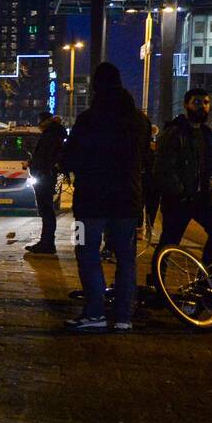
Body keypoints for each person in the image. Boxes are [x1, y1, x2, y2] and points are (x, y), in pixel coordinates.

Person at [59, 62, 153, 333]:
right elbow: (147, 159)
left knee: (86, 252)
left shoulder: (88, 119)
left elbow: (70, 157)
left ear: (96, 87)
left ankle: (95, 312)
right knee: (126, 258)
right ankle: (124, 317)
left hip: (90, 201)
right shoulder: (139, 121)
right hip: (127, 201)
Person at [153, 89, 212, 271]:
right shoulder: (174, 132)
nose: (202, 106)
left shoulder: (205, 133)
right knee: (169, 242)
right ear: (186, 105)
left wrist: (209, 181)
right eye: (197, 102)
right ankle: (157, 283)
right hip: (178, 200)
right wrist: (178, 191)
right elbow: (163, 167)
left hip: (200, 197)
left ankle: (206, 277)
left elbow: (209, 161)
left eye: (205, 102)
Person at [25, 110, 66, 255]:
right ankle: (46, 242)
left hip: (45, 177)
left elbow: (46, 158)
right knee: (46, 210)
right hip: (45, 175)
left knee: (46, 210)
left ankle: (47, 244)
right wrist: (33, 163)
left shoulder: (50, 135)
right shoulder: (54, 133)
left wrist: (37, 166)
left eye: (39, 122)